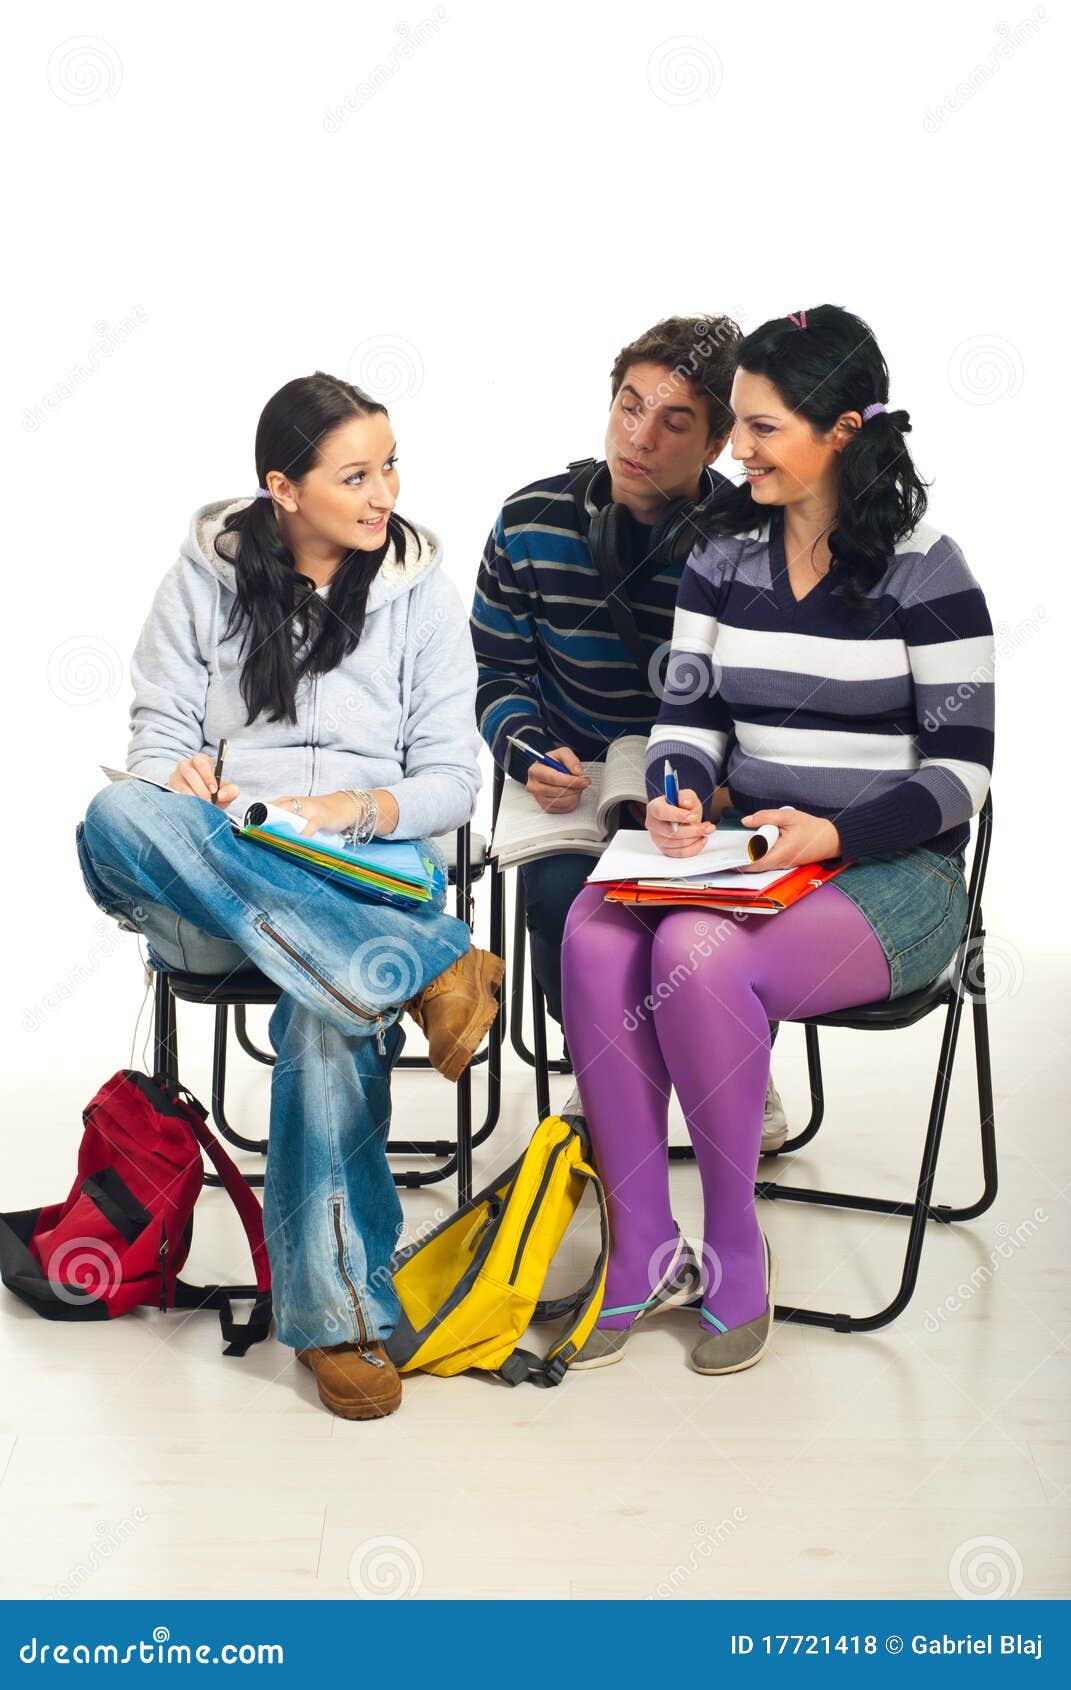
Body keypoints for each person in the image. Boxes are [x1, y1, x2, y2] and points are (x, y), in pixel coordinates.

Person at [560, 305, 995, 1376]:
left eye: (760, 428)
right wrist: (673, 794)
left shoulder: (927, 571)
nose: (735, 450)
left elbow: (961, 776)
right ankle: (642, 1247)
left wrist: (837, 829)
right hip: (749, 859)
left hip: (896, 876)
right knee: (594, 933)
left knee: (693, 954)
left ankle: (735, 1250)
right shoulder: (722, 559)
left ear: (842, 430)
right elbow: (685, 725)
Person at [76, 371, 503, 1421]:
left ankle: (342, 1318)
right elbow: (158, 737)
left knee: (323, 1011)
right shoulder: (203, 581)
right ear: (282, 486)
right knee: (116, 819)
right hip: (235, 869)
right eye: (354, 474)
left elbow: (456, 777)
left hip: (363, 865)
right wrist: (185, 778)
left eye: (391, 465)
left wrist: (355, 806)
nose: (383, 493)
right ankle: (412, 965)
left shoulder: (421, 595)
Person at [470, 317, 793, 1148]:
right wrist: (525, 749)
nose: (637, 437)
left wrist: (720, 785)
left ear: (721, 440)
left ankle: (733, 1068)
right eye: (626, 407)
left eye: (673, 421)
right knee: (559, 899)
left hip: (710, 784)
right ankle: (599, 1065)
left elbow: (773, 696)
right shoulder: (527, 520)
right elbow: (497, 675)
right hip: (572, 783)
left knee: (715, 908)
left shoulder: (759, 539)